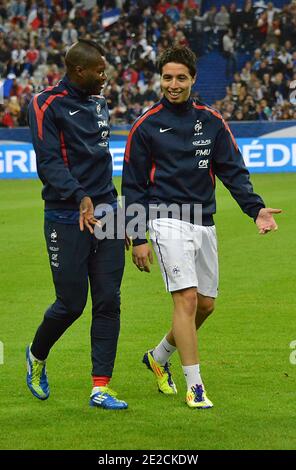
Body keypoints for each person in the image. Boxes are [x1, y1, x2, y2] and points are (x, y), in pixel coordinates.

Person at [121, 46, 281, 409]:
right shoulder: (145, 125)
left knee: (206, 305)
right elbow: (132, 186)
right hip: (165, 220)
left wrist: (255, 210)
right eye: (167, 78)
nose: (173, 85)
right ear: (159, 80)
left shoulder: (212, 121)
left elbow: (233, 171)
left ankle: (158, 357)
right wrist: (136, 236)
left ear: (193, 79)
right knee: (187, 300)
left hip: (203, 222)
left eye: (180, 78)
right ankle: (195, 387)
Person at [26, 40, 128, 410]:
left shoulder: (100, 104)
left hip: (108, 214)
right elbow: (49, 162)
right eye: (100, 71)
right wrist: (80, 197)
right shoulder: (44, 104)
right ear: (78, 71)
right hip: (67, 215)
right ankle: (37, 357)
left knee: (108, 301)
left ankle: (100, 387)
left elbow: (103, 161)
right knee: (71, 304)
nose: (105, 77)